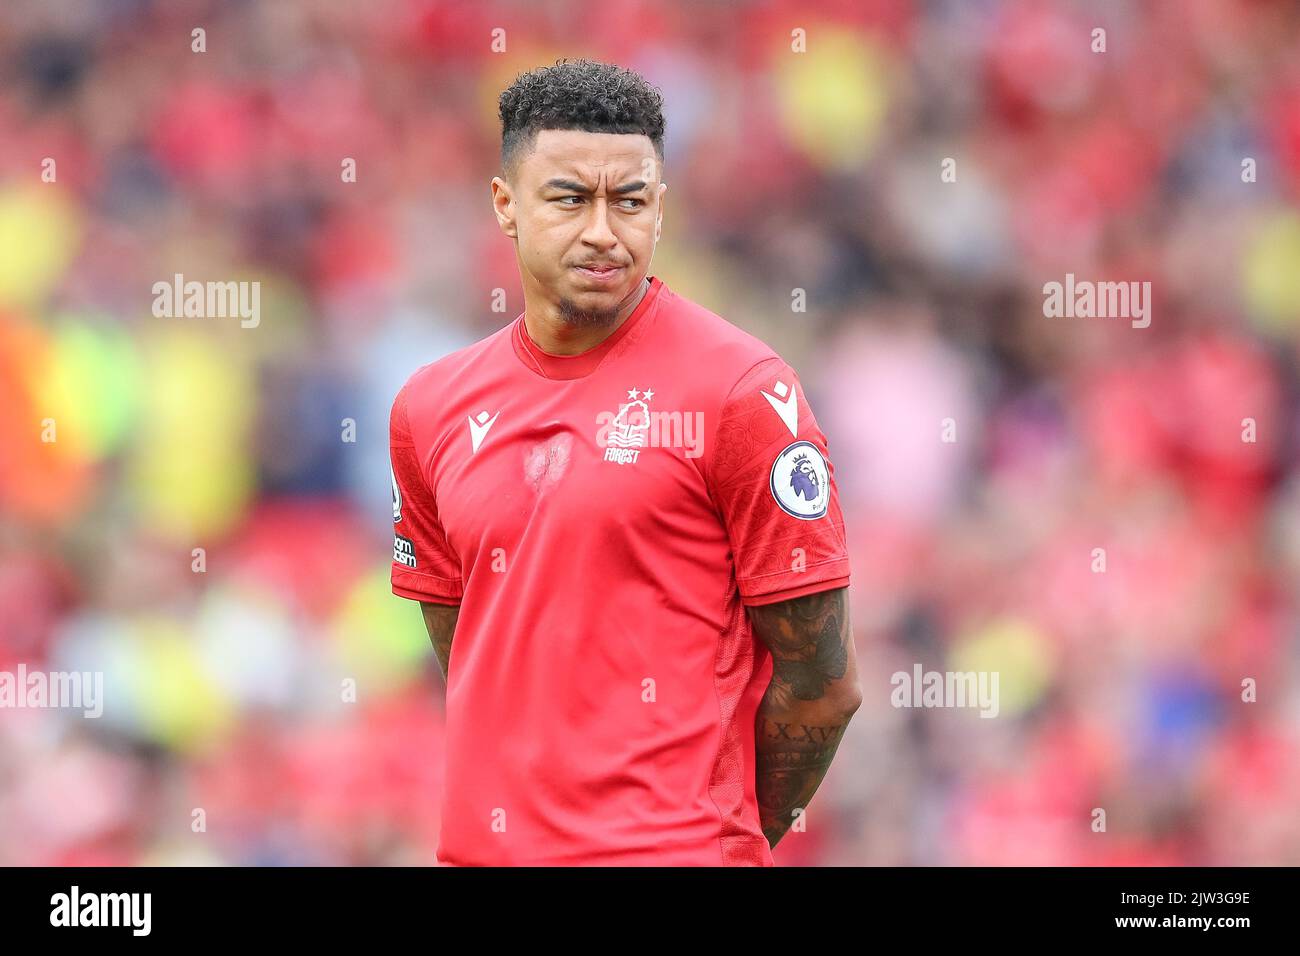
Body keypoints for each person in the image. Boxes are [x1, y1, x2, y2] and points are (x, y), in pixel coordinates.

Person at [389, 58, 861, 866]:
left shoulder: (741, 393)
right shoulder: (430, 408)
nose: (604, 230)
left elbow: (823, 682)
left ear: (660, 209)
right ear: (506, 205)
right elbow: (471, 650)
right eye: (570, 199)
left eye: (630, 202)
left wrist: (719, 839)